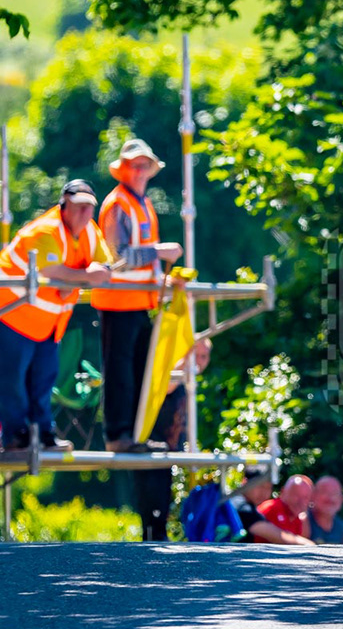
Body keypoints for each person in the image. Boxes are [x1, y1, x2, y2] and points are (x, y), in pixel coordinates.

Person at [0, 180, 113, 451]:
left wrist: (74, 279)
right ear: (64, 205)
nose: (84, 214)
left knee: (44, 379)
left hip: (48, 323)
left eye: (88, 208)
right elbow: (52, 272)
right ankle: (16, 436)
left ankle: (43, 434)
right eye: (78, 207)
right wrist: (84, 276)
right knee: (12, 379)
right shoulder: (45, 230)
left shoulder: (89, 232)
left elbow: (105, 266)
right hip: (13, 315)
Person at [93, 137, 184, 452]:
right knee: (120, 373)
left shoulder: (143, 204)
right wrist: (159, 252)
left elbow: (143, 259)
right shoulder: (118, 205)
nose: (140, 170)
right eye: (135, 165)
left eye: (144, 165)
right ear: (124, 170)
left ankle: (135, 435)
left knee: (139, 372)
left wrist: (164, 280)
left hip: (139, 302)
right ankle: (119, 436)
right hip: (118, 301)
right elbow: (119, 256)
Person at [137, 337, 212, 541]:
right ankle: (152, 534)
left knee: (163, 494)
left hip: (169, 447)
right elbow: (167, 387)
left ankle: (157, 533)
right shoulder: (175, 372)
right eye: (195, 355)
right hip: (152, 444)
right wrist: (184, 363)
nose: (199, 361)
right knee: (151, 494)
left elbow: (185, 418)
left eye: (204, 357)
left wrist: (190, 444)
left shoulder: (189, 381)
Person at [224, 472, 314, 546]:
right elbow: (275, 535)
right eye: (260, 486)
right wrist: (309, 545)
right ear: (245, 482)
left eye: (268, 488)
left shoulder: (249, 507)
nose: (264, 492)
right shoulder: (240, 505)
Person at [255, 474, 313, 544]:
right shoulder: (270, 509)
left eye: (305, 497)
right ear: (283, 492)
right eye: (296, 495)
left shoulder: (298, 519)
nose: (300, 502)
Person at [308, 475, 343, 544]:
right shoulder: (303, 522)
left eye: (335, 493)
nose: (330, 498)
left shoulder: (341, 527)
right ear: (313, 496)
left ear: (342, 499)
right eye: (324, 492)